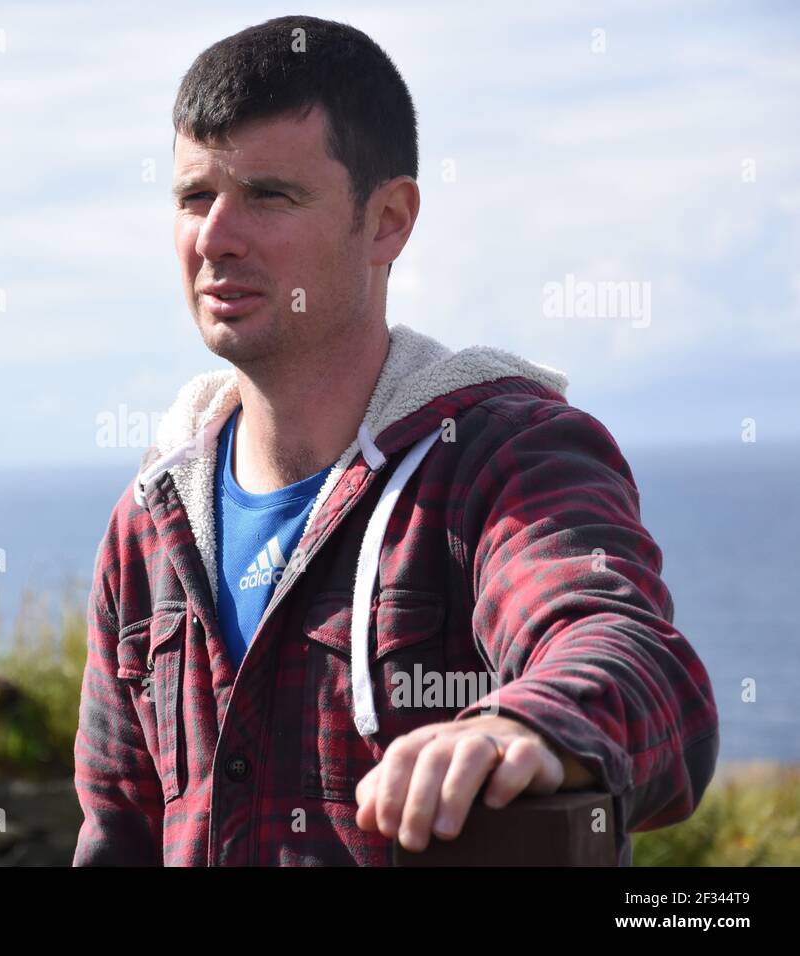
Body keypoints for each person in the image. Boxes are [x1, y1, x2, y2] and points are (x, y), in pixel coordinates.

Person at [72, 15, 718, 866]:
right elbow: (115, 834)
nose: (215, 237)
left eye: (268, 194)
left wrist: (522, 725)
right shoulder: (147, 528)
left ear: (387, 221)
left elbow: (629, 653)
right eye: (195, 197)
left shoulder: (501, 456)